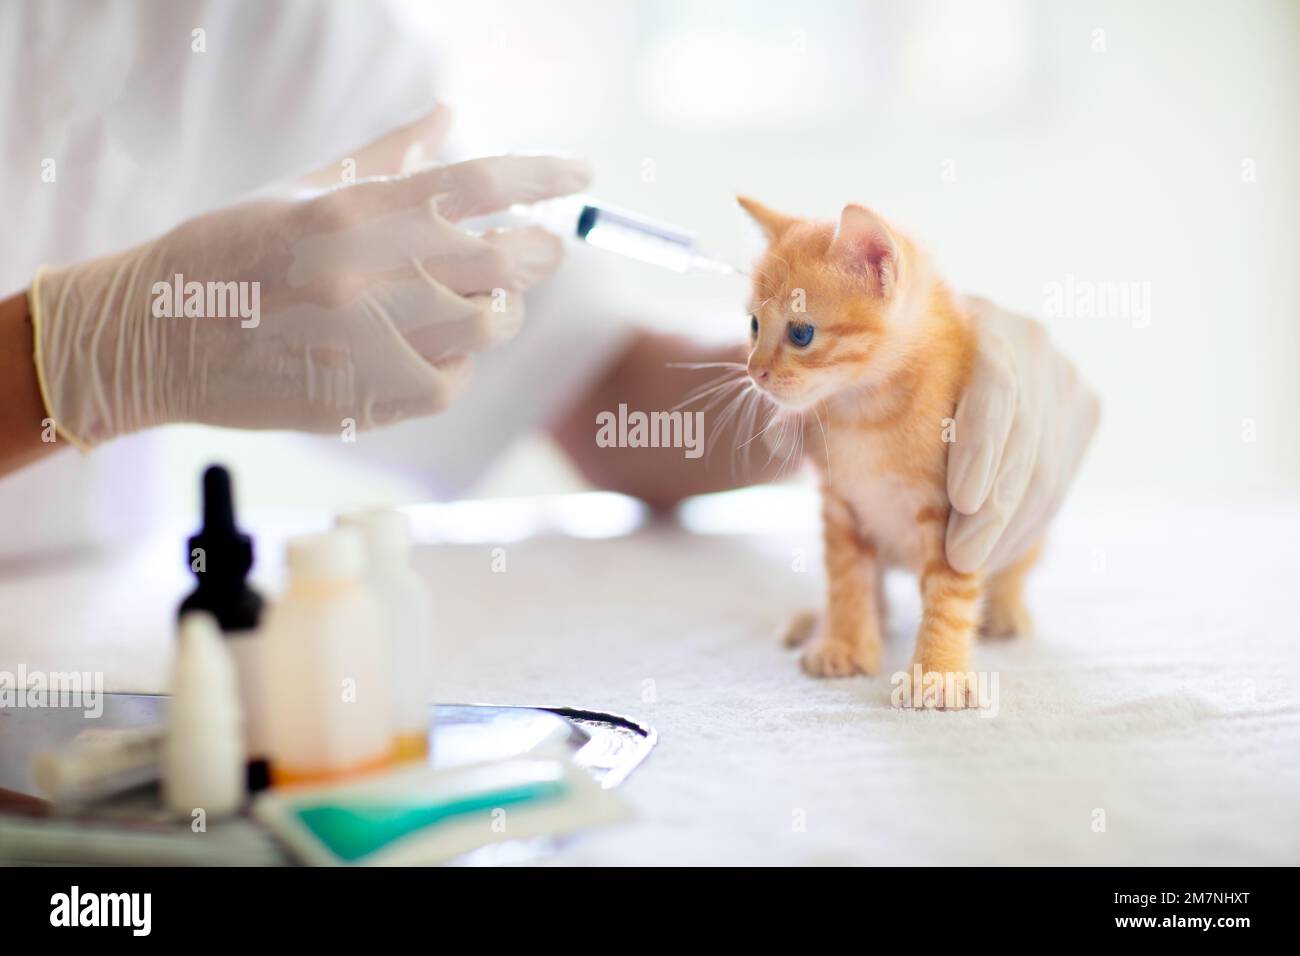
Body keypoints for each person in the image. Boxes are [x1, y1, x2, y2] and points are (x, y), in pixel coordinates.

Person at [0, 1, 1097, 576]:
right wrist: (71, 357)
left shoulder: (260, 19)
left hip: (84, 658)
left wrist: (873, 390)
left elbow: (586, 383)